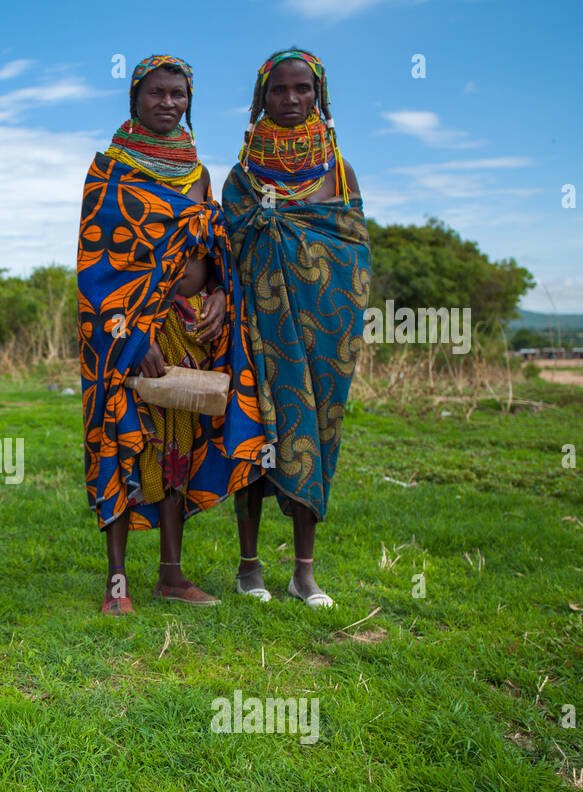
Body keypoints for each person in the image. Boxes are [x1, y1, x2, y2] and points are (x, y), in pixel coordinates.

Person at [78, 54, 266, 615]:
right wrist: (136, 338)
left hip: (191, 333)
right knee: (124, 445)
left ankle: (171, 576)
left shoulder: (197, 172)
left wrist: (217, 294)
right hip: (127, 339)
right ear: (134, 99)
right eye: (157, 93)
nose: (168, 103)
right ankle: (117, 585)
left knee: (177, 451)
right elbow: (96, 267)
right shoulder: (110, 171)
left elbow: (213, 247)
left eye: (178, 94)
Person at [221, 48, 372, 609]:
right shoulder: (241, 177)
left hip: (324, 336)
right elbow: (226, 253)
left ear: (319, 95)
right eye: (278, 90)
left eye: (302, 89)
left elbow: (355, 255)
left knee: (317, 435)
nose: (290, 99)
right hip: (257, 331)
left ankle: (304, 573)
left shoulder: (339, 171)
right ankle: (248, 567)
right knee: (257, 437)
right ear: (261, 98)